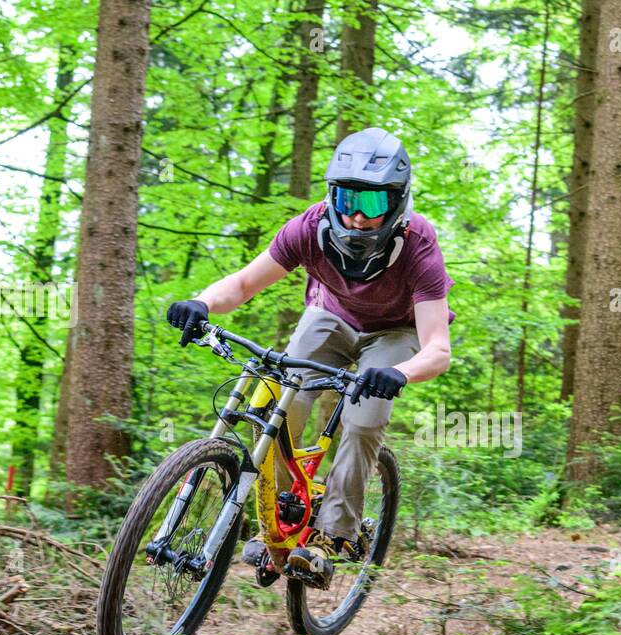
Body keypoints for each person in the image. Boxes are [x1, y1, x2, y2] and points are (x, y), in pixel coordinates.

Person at [165, 128, 454, 587]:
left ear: (397, 202)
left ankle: (333, 535)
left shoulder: (418, 246)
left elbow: (437, 347)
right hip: (330, 316)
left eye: (374, 204)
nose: (357, 216)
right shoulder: (308, 228)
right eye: (346, 200)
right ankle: (279, 516)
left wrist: (398, 373)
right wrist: (201, 303)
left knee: (362, 421)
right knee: (280, 402)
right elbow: (241, 285)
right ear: (331, 195)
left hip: (395, 332)